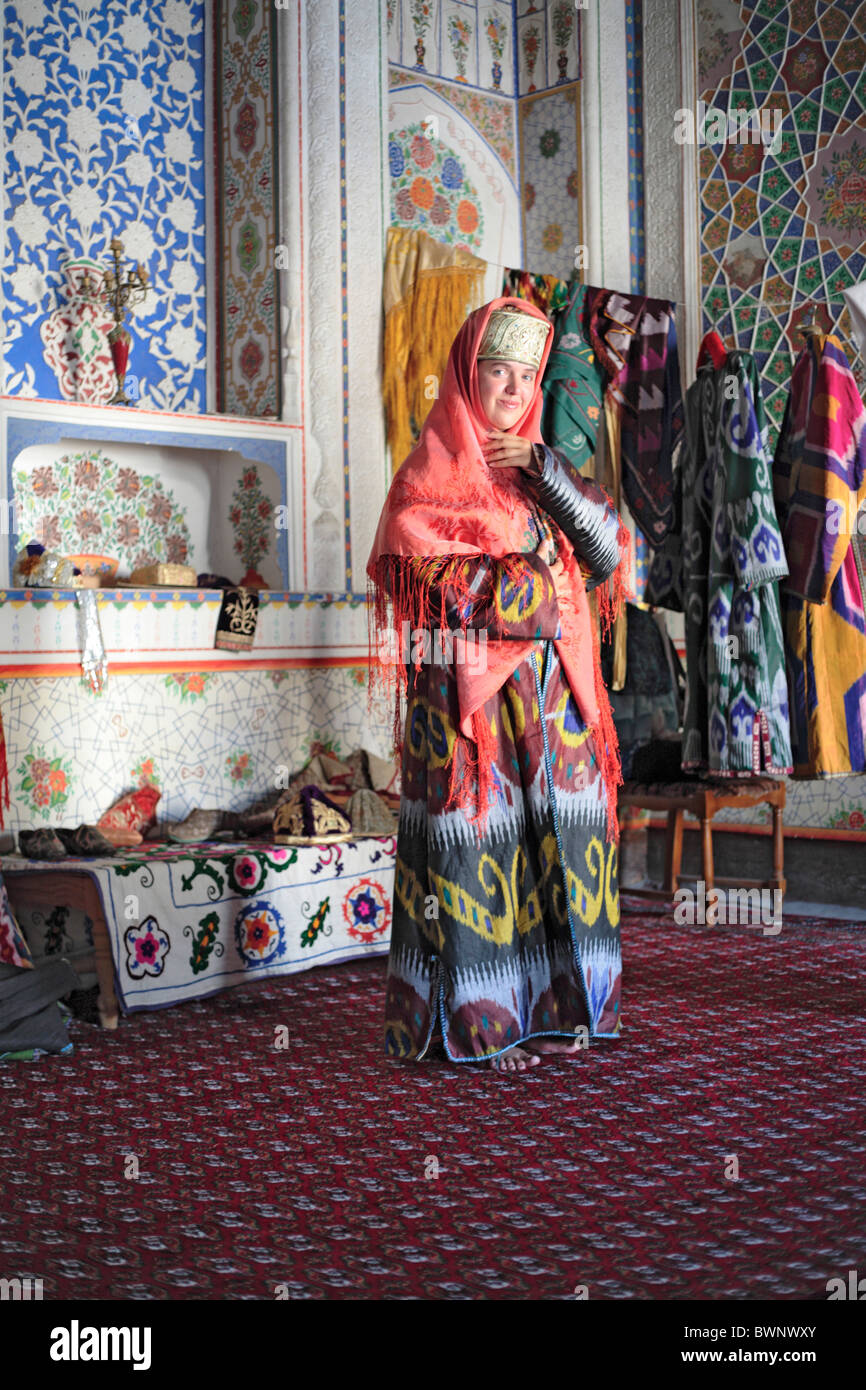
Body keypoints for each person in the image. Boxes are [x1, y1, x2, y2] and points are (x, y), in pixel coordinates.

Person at [368, 296, 628, 1071]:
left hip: (558, 706)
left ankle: (560, 1010)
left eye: (526, 376)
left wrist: (548, 477)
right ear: (465, 377)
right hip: (467, 712)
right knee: (475, 856)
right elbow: (425, 572)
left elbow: (609, 553)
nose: (514, 390)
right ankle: (481, 1026)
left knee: (562, 850)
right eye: (497, 372)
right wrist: (538, 587)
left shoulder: (540, 473)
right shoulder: (430, 475)